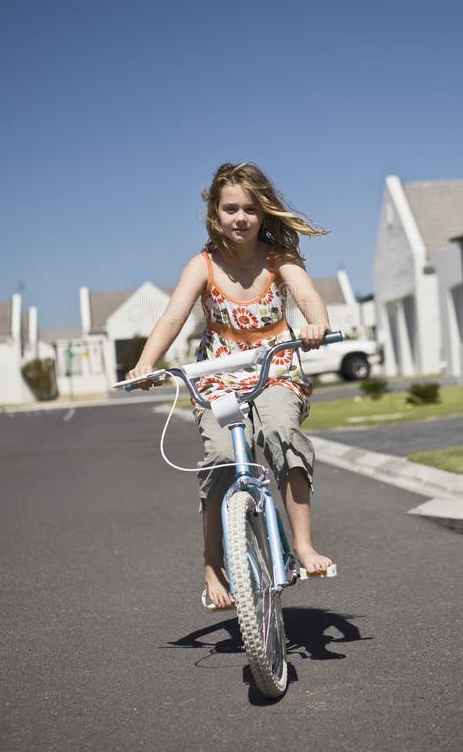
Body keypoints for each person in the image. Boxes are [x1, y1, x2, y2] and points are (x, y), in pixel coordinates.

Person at [129, 162, 333, 610]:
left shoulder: (280, 259)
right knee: (221, 456)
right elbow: (173, 316)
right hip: (217, 376)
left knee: (281, 429)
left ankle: (302, 545)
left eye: (250, 209)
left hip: (274, 367)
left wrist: (317, 322)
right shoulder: (203, 265)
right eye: (230, 209)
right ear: (215, 214)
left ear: (263, 214)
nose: (240, 218)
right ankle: (213, 563)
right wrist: (146, 363)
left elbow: (307, 295)